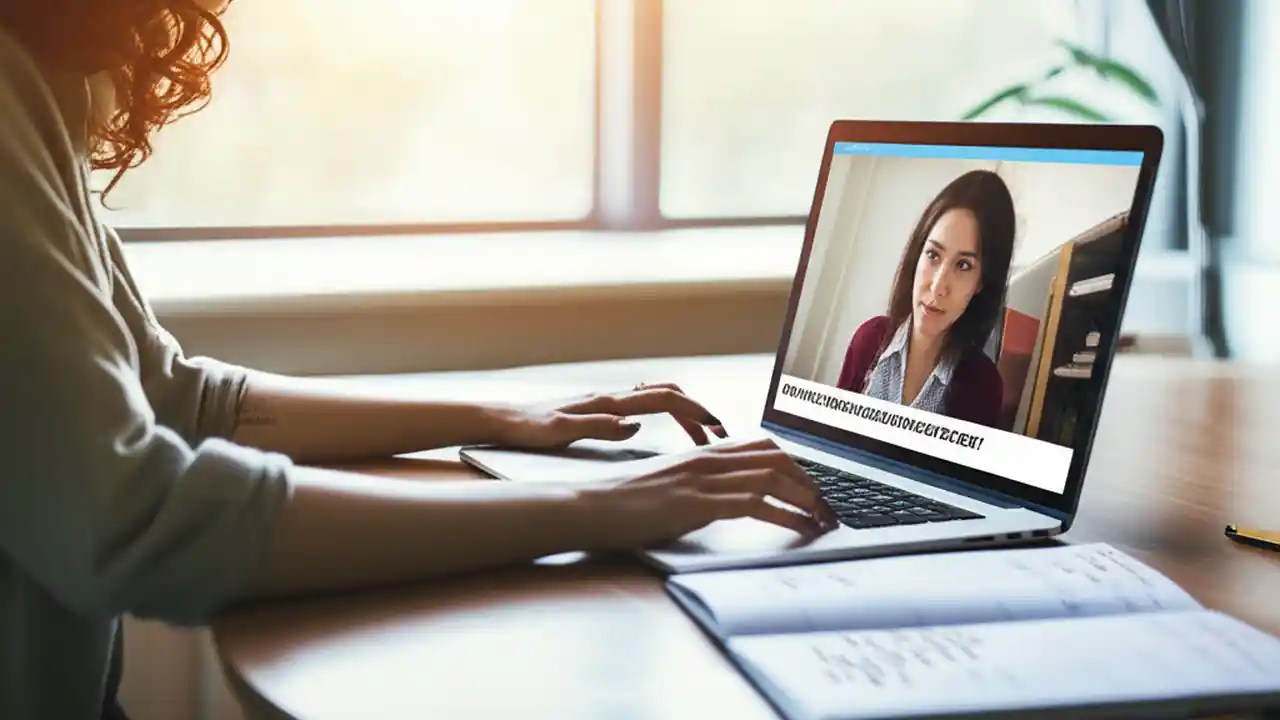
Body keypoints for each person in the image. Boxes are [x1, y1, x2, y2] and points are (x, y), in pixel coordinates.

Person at [0, 2, 838, 718]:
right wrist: (608, 503)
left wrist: (500, 417)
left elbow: (178, 397)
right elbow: (138, 521)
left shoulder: (41, 67)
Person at [835, 170, 1015, 428]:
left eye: (963, 265)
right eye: (933, 254)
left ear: (981, 283)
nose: (938, 286)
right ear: (917, 255)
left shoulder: (984, 387)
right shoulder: (868, 339)